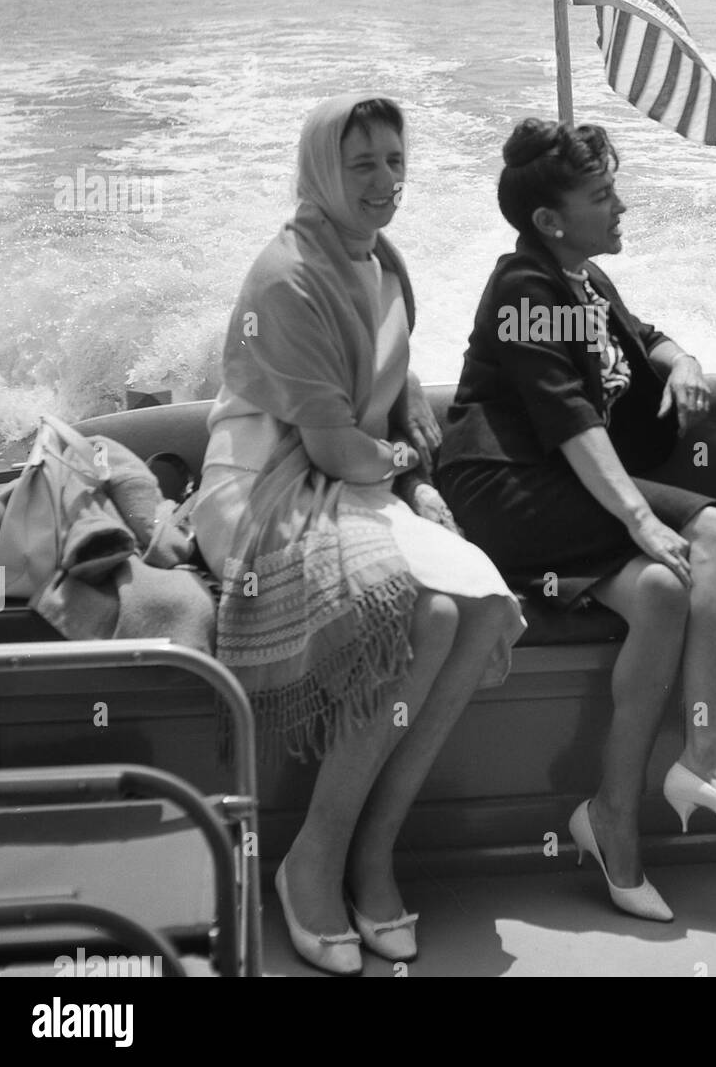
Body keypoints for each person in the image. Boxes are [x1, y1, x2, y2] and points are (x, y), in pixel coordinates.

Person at [436, 117, 716, 923]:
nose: (621, 208)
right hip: (505, 490)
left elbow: (640, 337)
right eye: (601, 196)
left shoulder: (585, 283)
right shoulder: (524, 292)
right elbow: (570, 420)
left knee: (661, 597)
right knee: (707, 531)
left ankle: (612, 813)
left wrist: (680, 361)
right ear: (548, 219)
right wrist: (643, 521)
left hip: (564, 490)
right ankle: (708, 753)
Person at [191, 94, 525, 974]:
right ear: (320, 172)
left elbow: (395, 396)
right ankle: (313, 858)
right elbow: (339, 445)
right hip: (265, 487)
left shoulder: (384, 264)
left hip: (347, 475)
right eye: (362, 164)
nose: (384, 182)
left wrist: (416, 483)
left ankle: (373, 850)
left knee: (482, 605)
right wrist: (407, 477)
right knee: (422, 616)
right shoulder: (285, 277)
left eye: (394, 161)